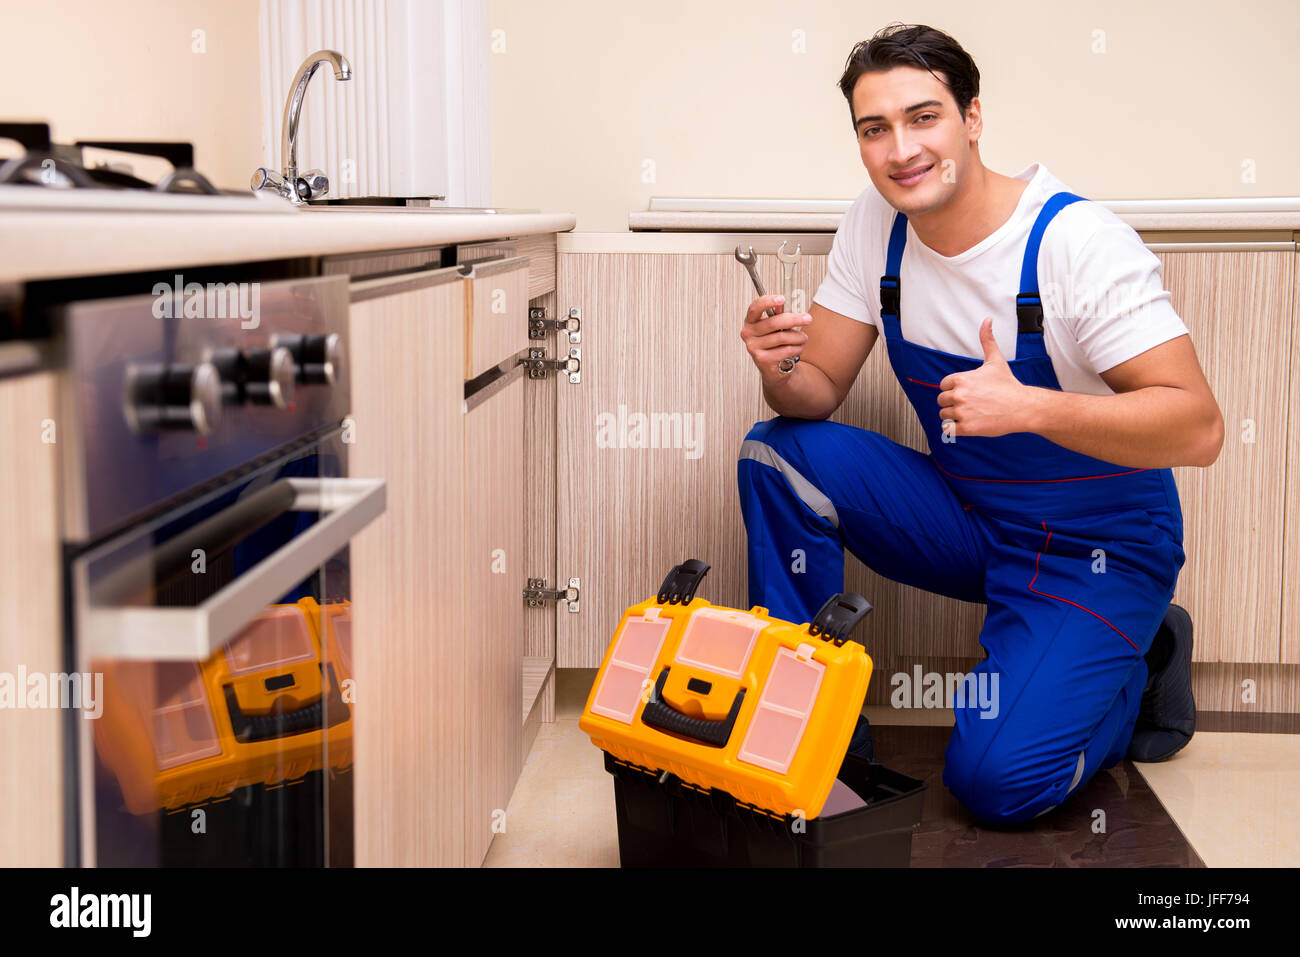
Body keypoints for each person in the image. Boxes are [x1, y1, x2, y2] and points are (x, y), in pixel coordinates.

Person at [736, 23, 1222, 826]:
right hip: (971, 517)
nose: (901, 149)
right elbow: (815, 395)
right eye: (874, 128)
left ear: (973, 117)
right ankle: (809, 738)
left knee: (997, 785)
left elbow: (1198, 427)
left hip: (1094, 547)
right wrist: (778, 364)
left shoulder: (1074, 242)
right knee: (776, 453)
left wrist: (1030, 407)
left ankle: (1141, 658)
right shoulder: (876, 225)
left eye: (923, 117)